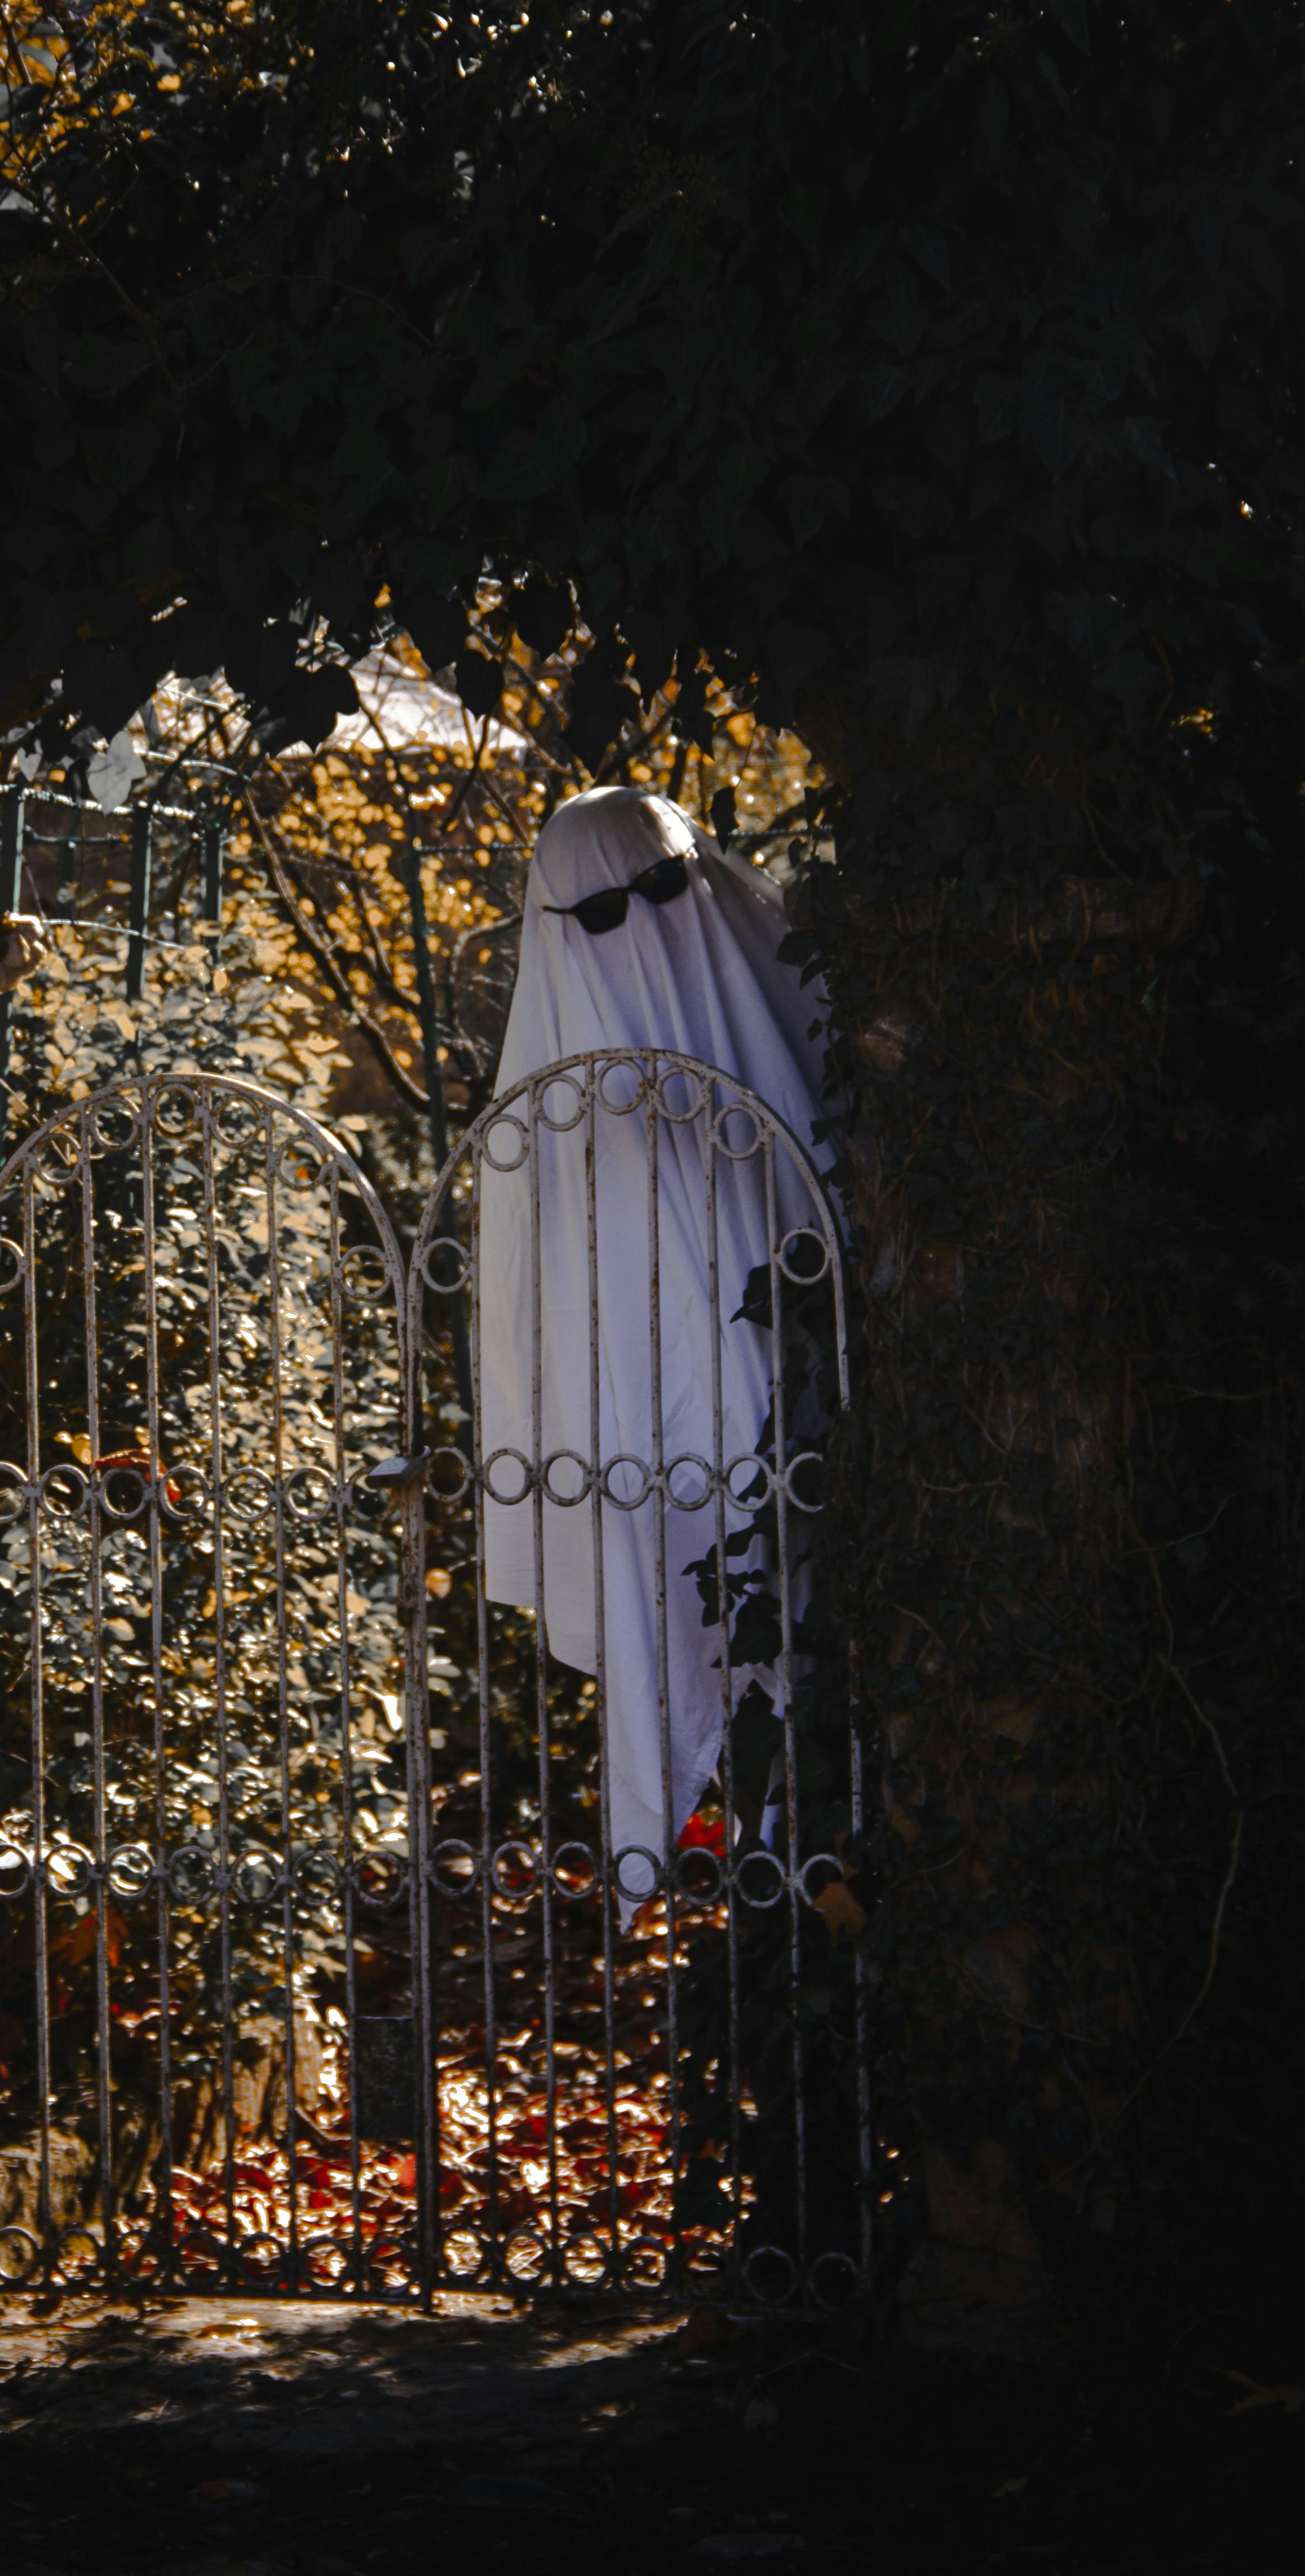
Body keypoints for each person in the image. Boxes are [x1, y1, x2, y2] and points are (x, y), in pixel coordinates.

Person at [475, 784, 830, 1898]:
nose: (640, 928)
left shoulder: (801, 1041)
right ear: (555, 935)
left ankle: (816, 1874)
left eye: (664, 888)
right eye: (599, 917)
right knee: (679, 1601)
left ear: (701, 878)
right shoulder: (555, 1123)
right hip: (647, 1449)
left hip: (814, 1443)